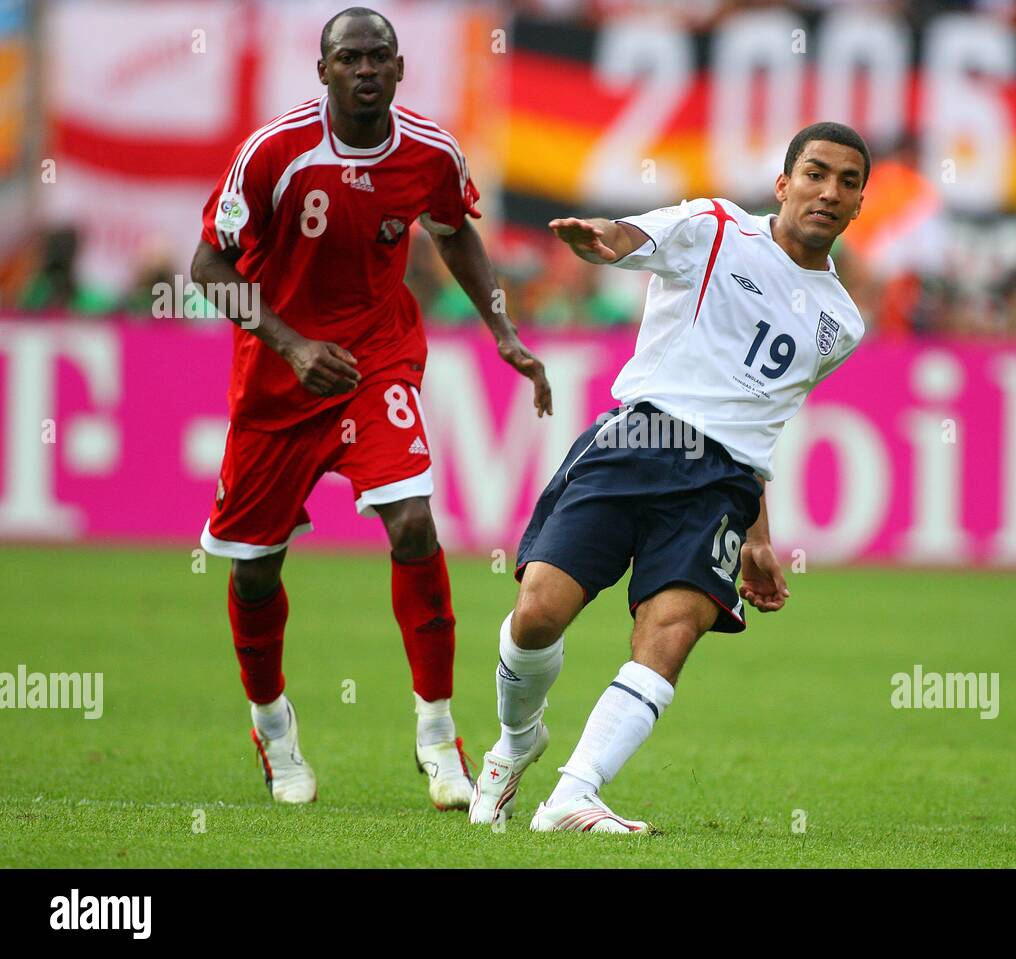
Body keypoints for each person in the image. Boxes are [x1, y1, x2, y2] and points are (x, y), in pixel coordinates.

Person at [189, 7, 552, 808]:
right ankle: (273, 726)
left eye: (378, 57)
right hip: (278, 382)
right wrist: (289, 345)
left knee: (415, 523)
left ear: (398, 68)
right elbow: (207, 265)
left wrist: (502, 329)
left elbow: (455, 230)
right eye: (348, 57)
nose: (364, 70)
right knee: (256, 570)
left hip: (374, 361)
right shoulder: (273, 152)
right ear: (322, 71)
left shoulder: (429, 151)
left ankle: (437, 732)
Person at [467, 122, 870, 833]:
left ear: (861, 202)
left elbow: (758, 421)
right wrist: (602, 237)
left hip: (721, 489)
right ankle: (515, 740)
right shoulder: (713, 226)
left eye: (847, 181)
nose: (828, 192)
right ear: (783, 184)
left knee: (672, 629)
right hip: (638, 441)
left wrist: (757, 534)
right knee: (537, 613)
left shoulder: (841, 322)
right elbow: (630, 236)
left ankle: (574, 794)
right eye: (815, 174)